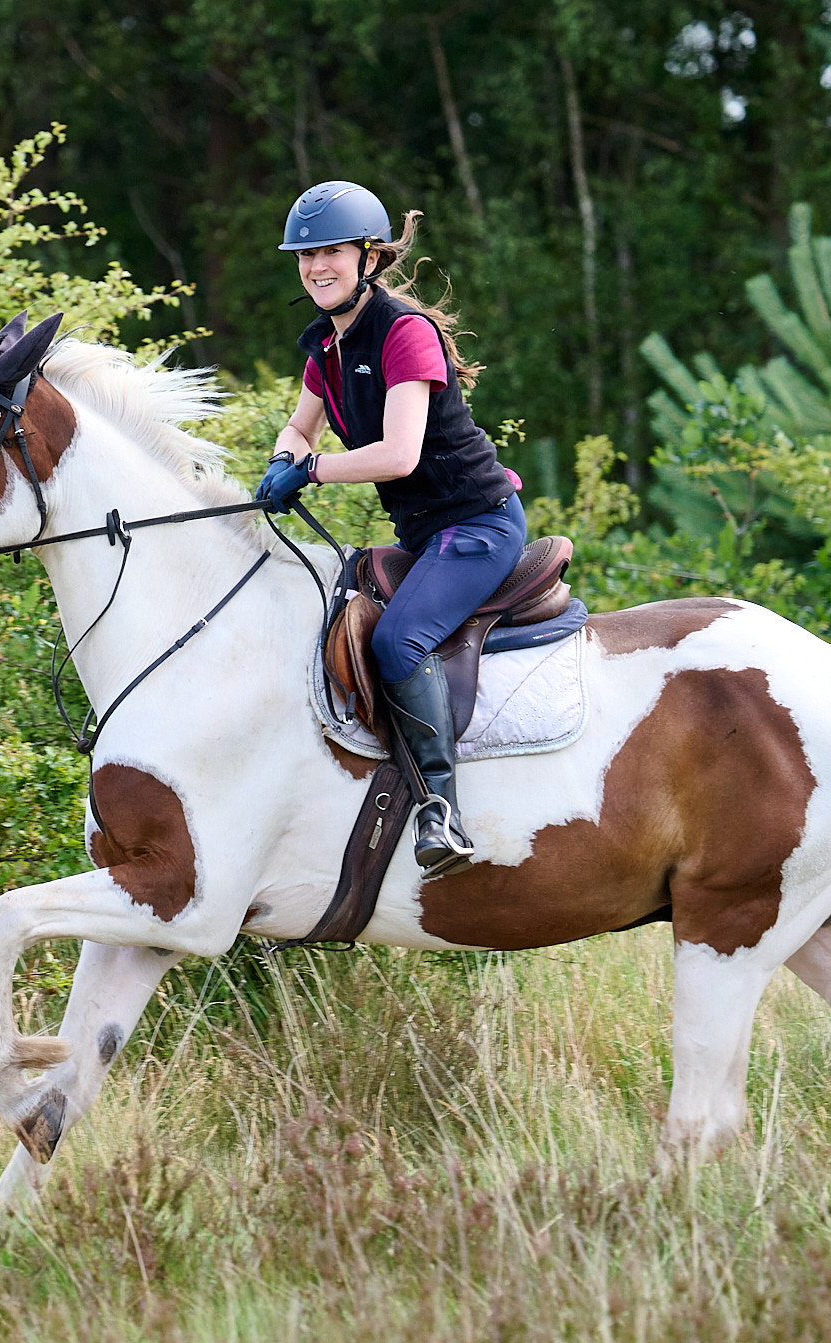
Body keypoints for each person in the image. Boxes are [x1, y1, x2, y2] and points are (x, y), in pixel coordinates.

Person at [255, 181, 526, 878]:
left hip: (478, 526)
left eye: (332, 252)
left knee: (396, 641)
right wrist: (283, 458)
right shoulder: (325, 346)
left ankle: (441, 810)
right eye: (306, 255)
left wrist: (310, 471)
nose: (317, 266)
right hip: (423, 537)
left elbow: (400, 454)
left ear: (369, 259)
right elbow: (299, 426)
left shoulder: (405, 333)